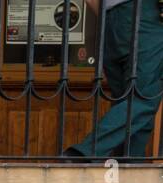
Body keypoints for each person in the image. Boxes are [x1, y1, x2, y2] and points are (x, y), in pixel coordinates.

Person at [63, 0, 163, 159]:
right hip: (144, 16)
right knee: (143, 99)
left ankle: (127, 171)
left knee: (127, 104)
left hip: (110, 22)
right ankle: (84, 151)